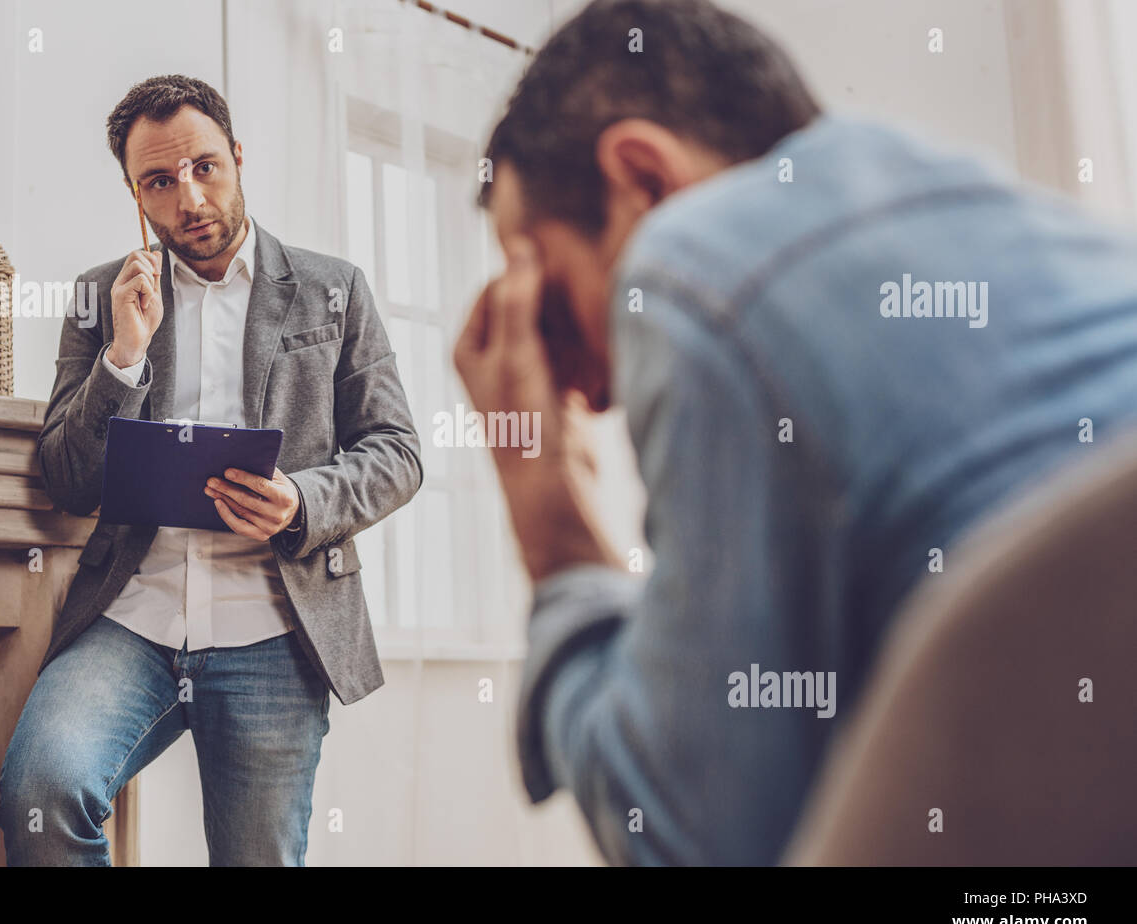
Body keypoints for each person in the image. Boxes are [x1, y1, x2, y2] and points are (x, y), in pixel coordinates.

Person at [453, 0, 1137, 865]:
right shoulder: (1011, 218)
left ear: (645, 182)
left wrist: (548, 520)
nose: (578, 392)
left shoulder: (690, 262)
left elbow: (687, 844)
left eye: (545, 309)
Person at [0, 74, 421, 866]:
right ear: (135, 195)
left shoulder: (335, 292)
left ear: (237, 157)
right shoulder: (101, 297)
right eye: (159, 180)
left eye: (204, 167)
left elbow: (396, 452)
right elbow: (67, 480)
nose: (188, 198)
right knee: (42, 793)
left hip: (275, 626)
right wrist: (121, 358)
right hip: (131, 618)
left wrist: (302, 499)